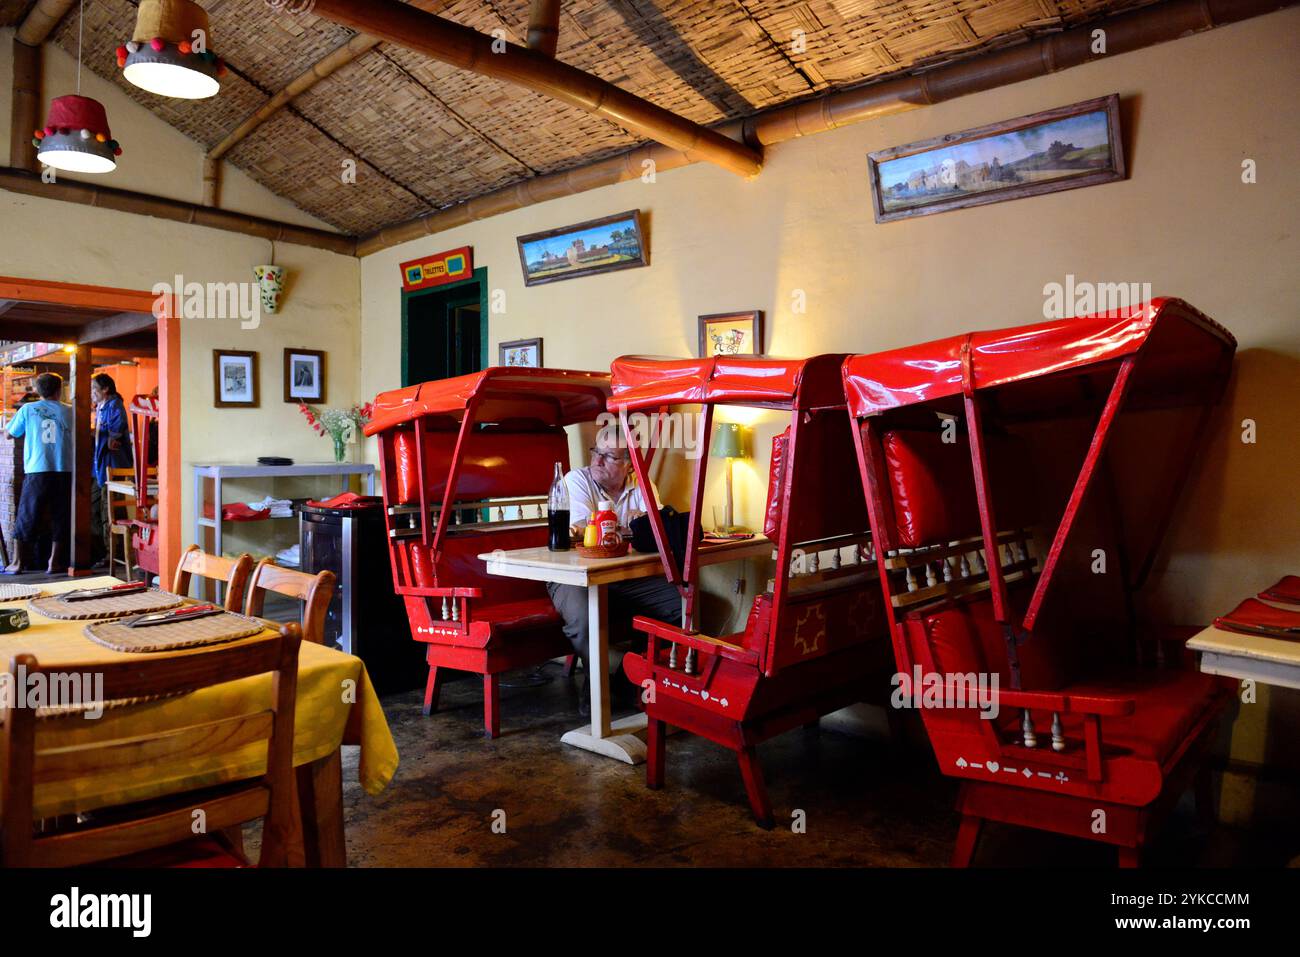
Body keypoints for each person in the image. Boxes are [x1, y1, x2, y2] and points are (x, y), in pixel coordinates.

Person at [547, 434, 682, 715]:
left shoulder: (643, 485)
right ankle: (596, 684)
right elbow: (586, 533)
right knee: (584, 617)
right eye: (596, 451)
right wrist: (633, 527)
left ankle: (624, 678)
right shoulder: (576, 480)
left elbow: (657, 533)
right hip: (573, 575)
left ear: (630, 464)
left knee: (678, 604)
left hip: (622, 575)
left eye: (609, 456)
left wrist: (624, 528)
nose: (597, 460)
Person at [4, 372, 73, 574]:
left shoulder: (28, 409)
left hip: (37, 469)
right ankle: (54, 562)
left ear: (37, 390)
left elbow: (9, 433)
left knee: (27, 515)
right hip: (63, 469)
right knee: (61, 516)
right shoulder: (70, 411)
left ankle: (17, 563)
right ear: (59, 390)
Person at [90, 374, 134, 565]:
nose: (92, 393)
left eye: (94, 388)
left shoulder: (114, 404)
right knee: (95, 509)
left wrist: (112, 437)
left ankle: (114, 554)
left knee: (111, 511)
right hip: (100, 466)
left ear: (105, 389)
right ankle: (109, 552)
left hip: (113, 466)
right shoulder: (100, 408)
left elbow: (117, 427)